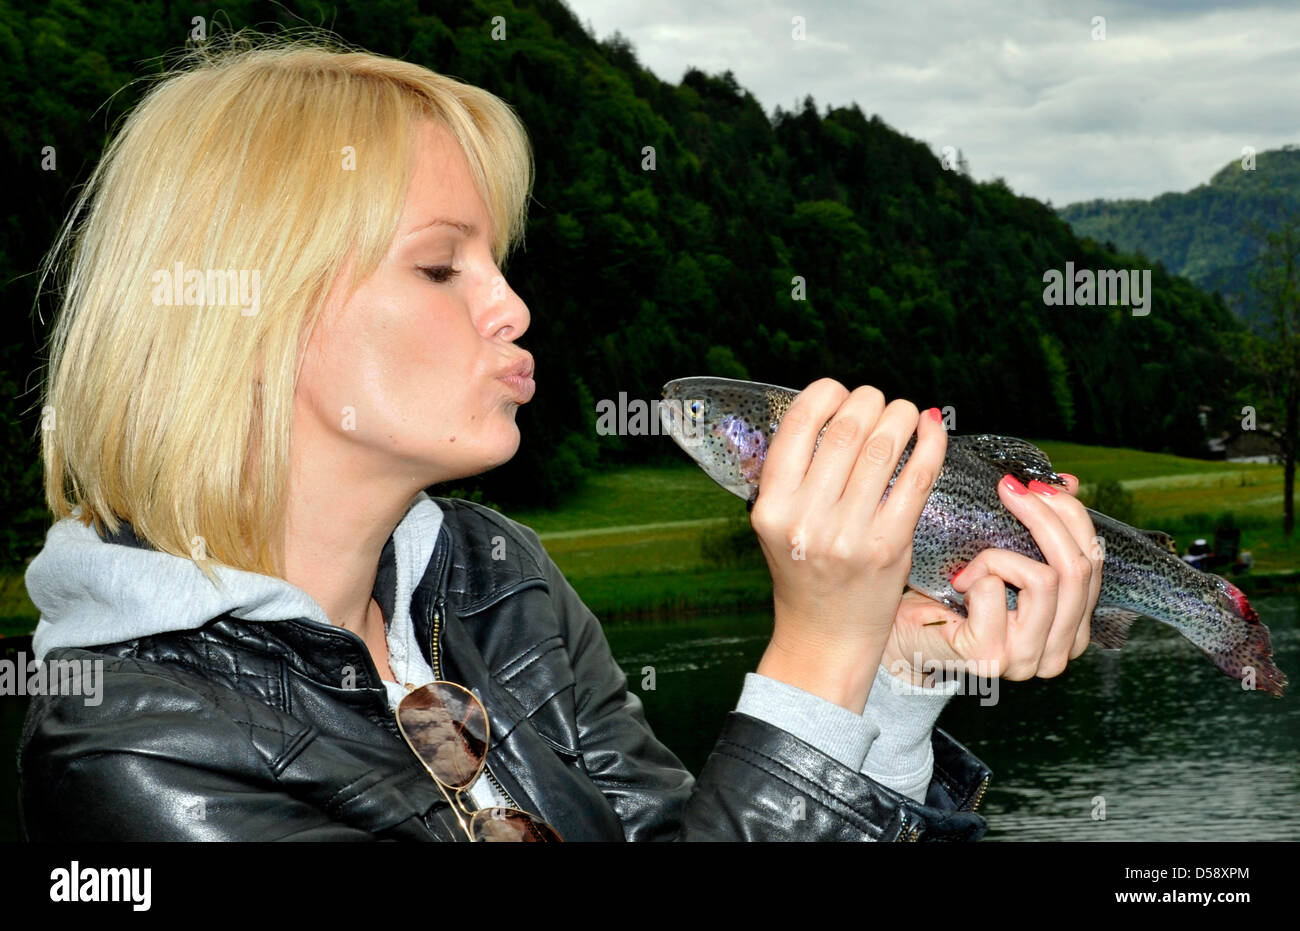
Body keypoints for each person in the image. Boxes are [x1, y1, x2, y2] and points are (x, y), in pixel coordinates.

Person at [18, 34, 1101, 842]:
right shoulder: (134, 749)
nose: (512, 307)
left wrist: (884, 671)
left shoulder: (493, 579)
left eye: (499, 258)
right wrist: (814, 653)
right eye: (443, 266)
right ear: (249, 311)